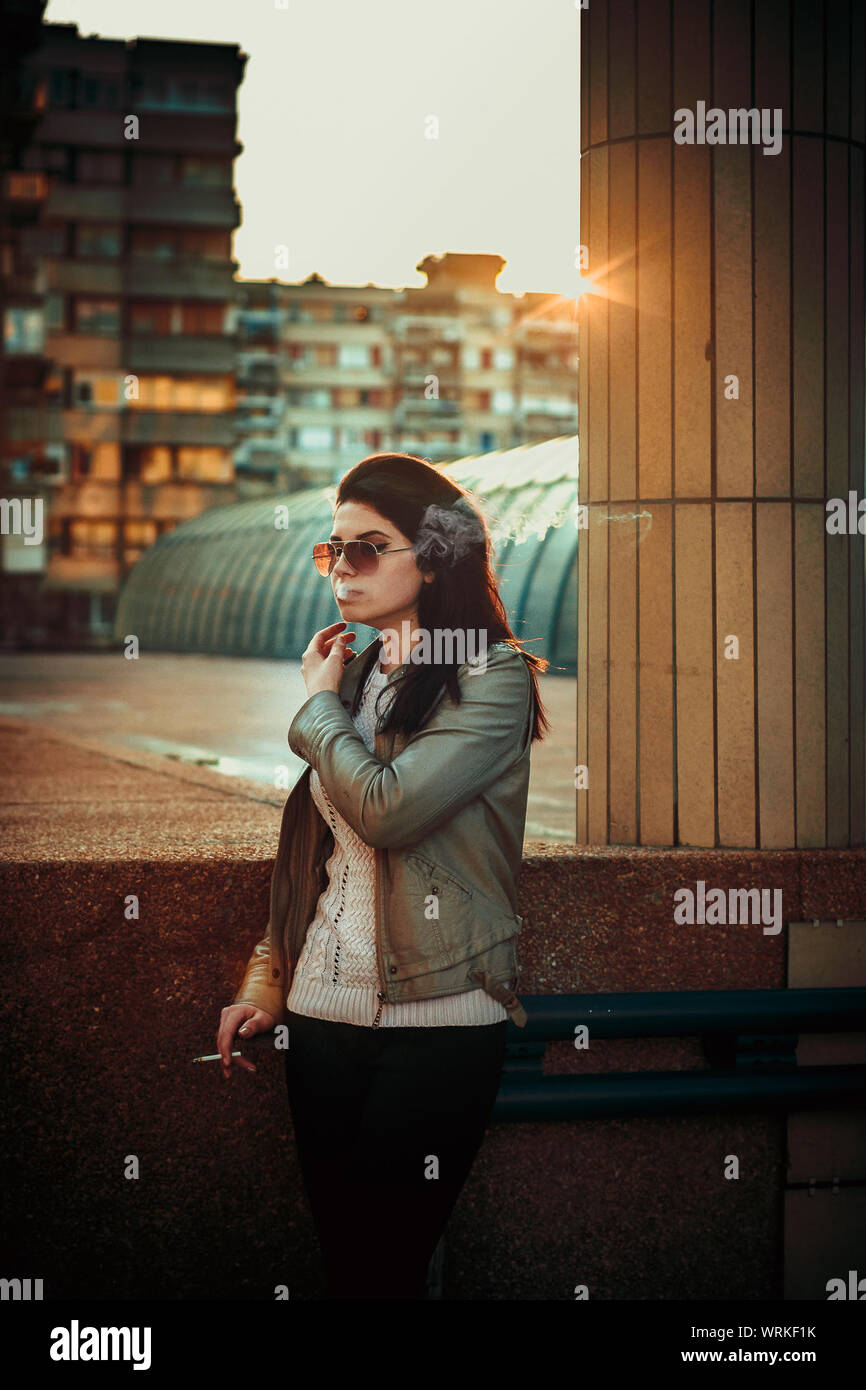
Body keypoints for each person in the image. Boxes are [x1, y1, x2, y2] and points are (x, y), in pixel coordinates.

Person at [216, 452, 549, 1299]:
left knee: (380, 1270)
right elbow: (316, 861)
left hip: (440, 1024)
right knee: (346, 1268)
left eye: (369, 547)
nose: (342, 569)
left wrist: (316, 709)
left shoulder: (490, 675)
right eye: (333, 550)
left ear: (434, 556)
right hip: (320, 1024)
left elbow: (388, 810)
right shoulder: (355, 678)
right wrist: (267, 982)